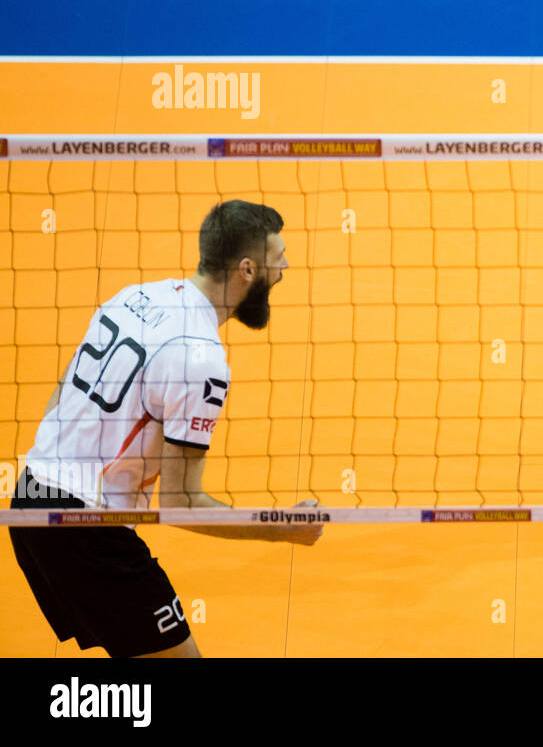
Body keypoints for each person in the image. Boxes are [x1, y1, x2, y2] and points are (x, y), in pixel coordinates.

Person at [8, 200, 323, 658]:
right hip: (86, 529)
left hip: (30, 497)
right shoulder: (203, 361)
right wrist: (282, 528)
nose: (286, 267)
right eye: (279, 259)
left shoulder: (134, 295)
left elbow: (61, 392)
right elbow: (181, 503)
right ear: (247, 270)